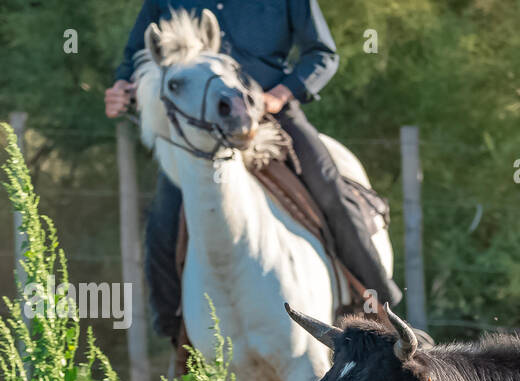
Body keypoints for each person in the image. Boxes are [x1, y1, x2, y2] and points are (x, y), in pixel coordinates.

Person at [104, 0, 401, 342]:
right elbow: (134, 58)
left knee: (331, 193)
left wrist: (280, 94)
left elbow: (322, 55)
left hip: (272, 113)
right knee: (161, 221)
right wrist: (122, 88)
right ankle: (179, 341)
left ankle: (387, 315)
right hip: (200, 129)